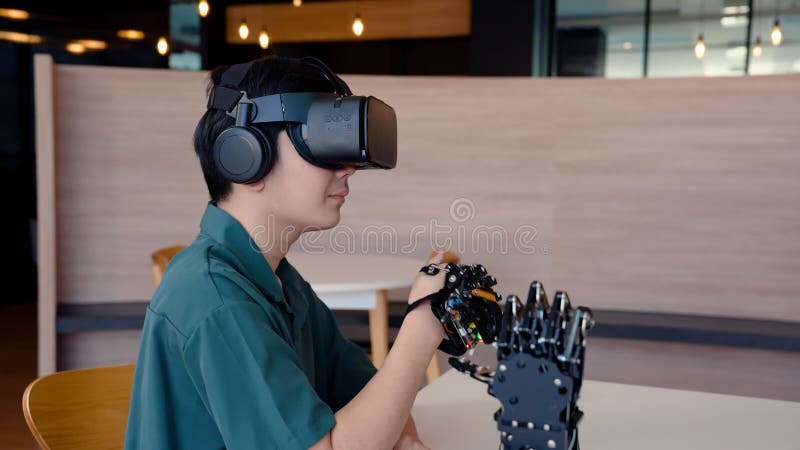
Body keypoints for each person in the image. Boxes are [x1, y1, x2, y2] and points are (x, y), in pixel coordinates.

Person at [124, 54, 448, 450]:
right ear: (246, 157)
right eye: (318, 141)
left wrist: (404, 438)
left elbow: (375, 397)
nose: (346, 168)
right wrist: (420, 330)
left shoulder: (279, 282)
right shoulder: (216, 300)